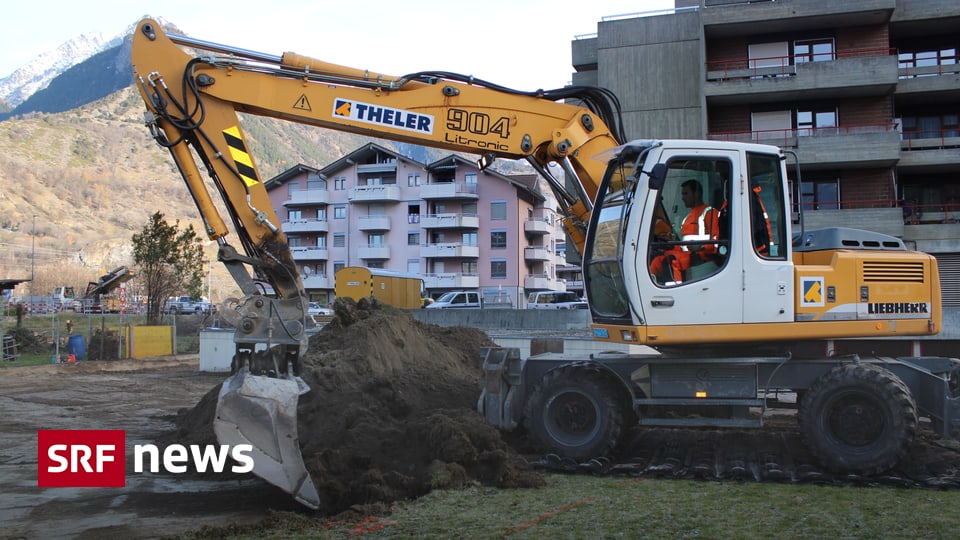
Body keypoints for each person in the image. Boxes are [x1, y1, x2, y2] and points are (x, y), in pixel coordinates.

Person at [650, 179, 720, 284]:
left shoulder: (710, 212)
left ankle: (674, 290)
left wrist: (701, 246)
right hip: (687, 254)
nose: (682, 198)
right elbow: (684, 244)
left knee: (671, 259)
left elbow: (716, 241)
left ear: (697, 193)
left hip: (702, 255)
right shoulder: (687, 218)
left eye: (686, 193)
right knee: (657, 260)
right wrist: (669, 246)